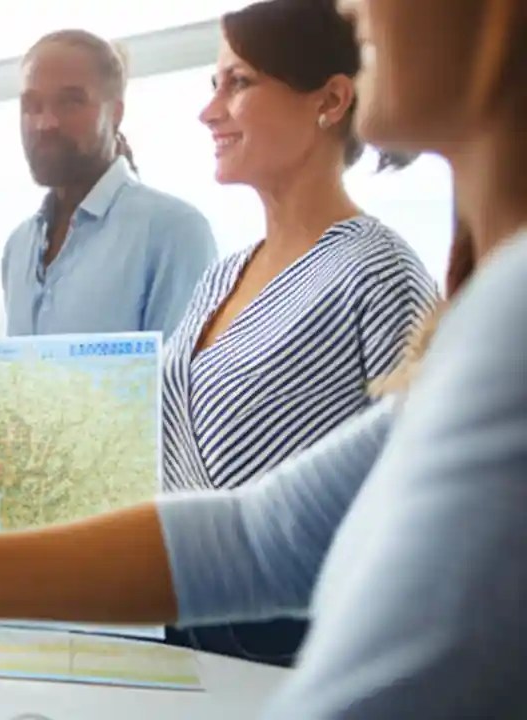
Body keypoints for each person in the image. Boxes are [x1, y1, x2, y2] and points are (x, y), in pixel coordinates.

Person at [0, 0, 527, 714]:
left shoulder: (396, 280)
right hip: (179, 646)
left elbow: (399, 611)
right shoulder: (230, 277)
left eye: (239, 82)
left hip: (252, 655)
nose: (356, 9)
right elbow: (256, 535)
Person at [156, 0, 440, 663]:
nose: (209, 111)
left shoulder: (378, 271)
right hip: (184, 631)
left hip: (303, 648)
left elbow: (416, 502)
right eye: (213, 85)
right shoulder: (221, 276)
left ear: (331, 100)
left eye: (239, 82)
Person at [2, 29, 217, 338]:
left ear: (115, 113)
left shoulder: (172, 231)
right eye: (32, 105)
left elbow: (183, 368)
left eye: (70, 103)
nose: (45, 123)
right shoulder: (19, 246)